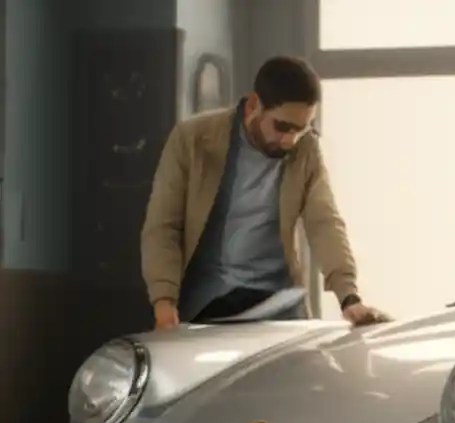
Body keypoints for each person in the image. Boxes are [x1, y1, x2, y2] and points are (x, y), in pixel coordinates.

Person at [140, 55, 388, 329]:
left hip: (279, 306)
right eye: (282, 126)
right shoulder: (193, 139)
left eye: (301, 129)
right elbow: (164, 227)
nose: (290, 140)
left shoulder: (305, 150)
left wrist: (349, 298)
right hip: (206, 305)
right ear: (254, 105)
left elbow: (325, 222)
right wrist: (164, 302)